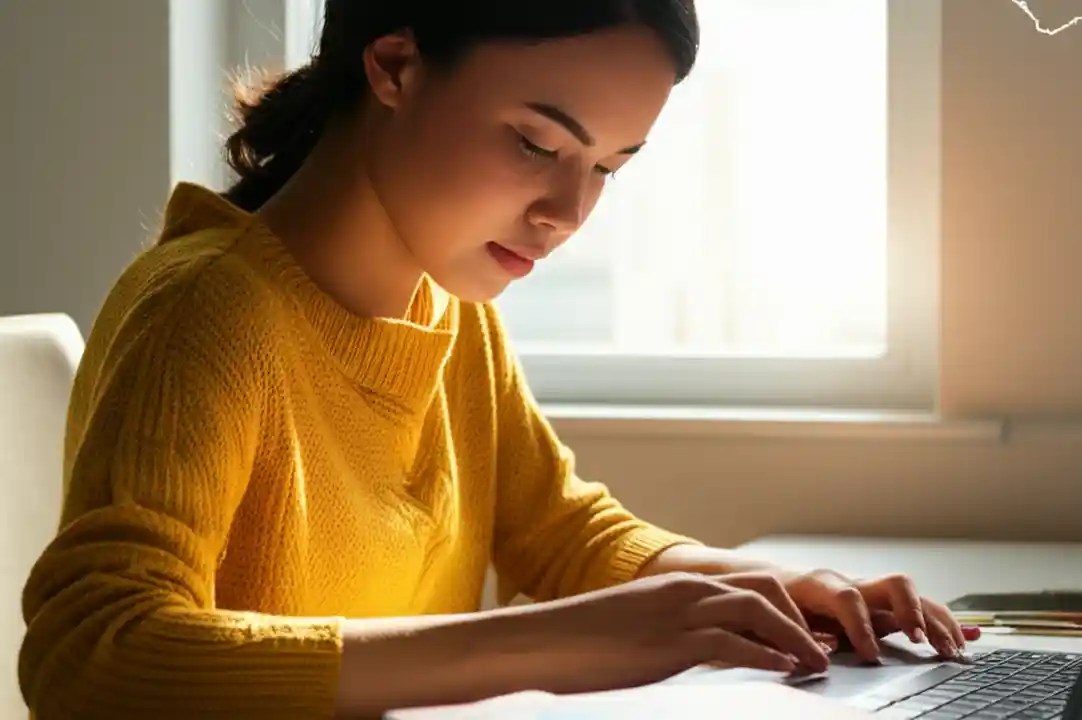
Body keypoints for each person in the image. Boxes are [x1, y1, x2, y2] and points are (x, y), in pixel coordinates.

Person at [18, 1, 972, 717]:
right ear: (395, 65)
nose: (568, 213)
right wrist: (544, 645)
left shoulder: (447, 307)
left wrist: (749, 586)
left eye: (606, 167)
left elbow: (558, 531)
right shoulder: (206, 313)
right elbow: (93, 654)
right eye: (534, 143)